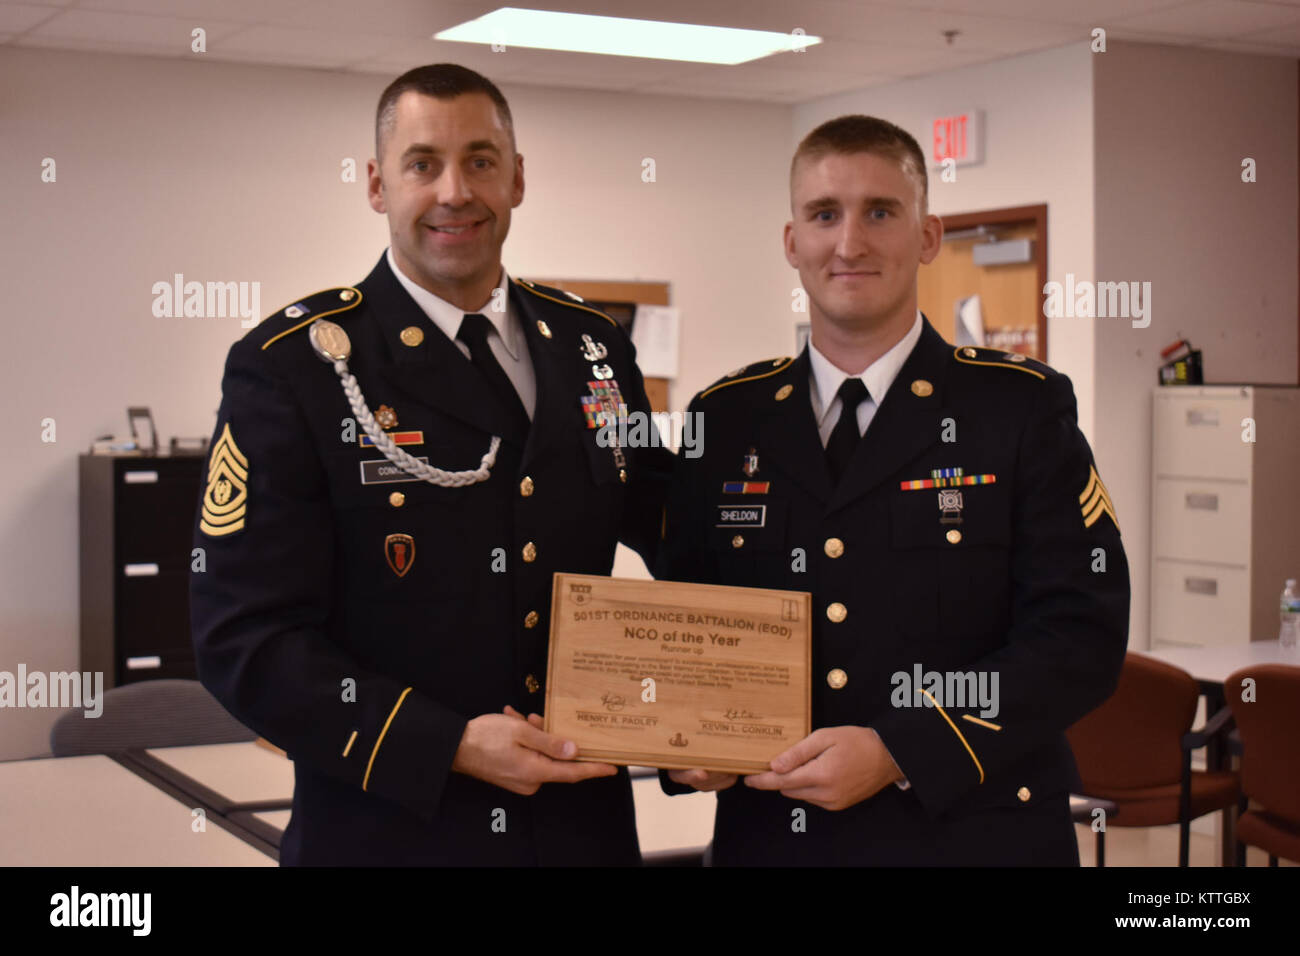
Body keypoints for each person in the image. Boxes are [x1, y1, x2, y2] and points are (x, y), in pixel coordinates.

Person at [189, 64, 671, 865]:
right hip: (388, 829)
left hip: (579, 829)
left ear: (518, 180)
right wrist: (446, 743)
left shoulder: (592, 346)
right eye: (423, 164)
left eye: (481, 161)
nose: (455, 191)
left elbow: (671, 526)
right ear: (378, 186)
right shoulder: (294, 366)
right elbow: (243, 639)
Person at [657, 115, 1129, 865]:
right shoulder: (727, 417)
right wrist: (688, 738)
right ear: (791, 243)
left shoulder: (1018, 407)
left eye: (880, 212)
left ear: (929, 235)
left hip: (974, 836)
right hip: (778, 840)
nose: (850, 244)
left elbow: (1080, 638)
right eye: (824, 215)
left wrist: (904, 749)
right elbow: (684, 612)